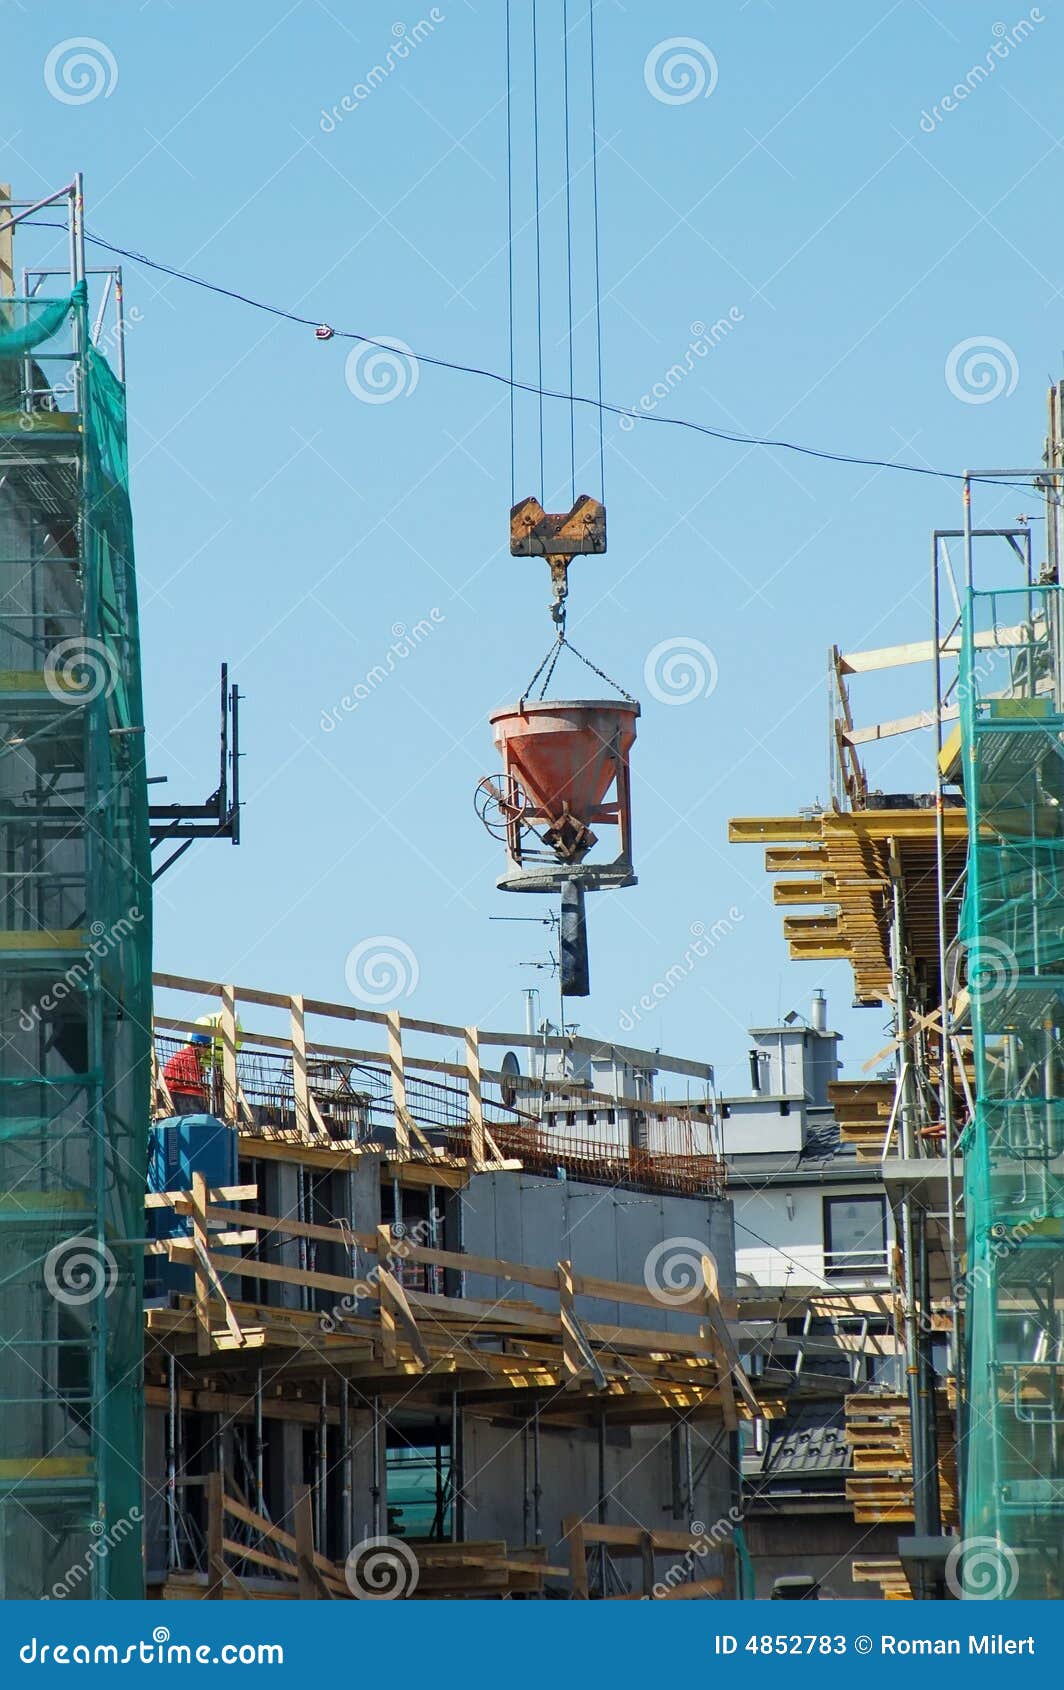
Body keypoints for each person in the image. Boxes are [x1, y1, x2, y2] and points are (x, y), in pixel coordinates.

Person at [162, 1031, 211, 1116]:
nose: (208, 1049)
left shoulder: (189, 1055)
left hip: (176, 1091)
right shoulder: (189, 1057)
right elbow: (194, 1083)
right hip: (179, 1094)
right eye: (207, 1046)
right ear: (199, 1045)